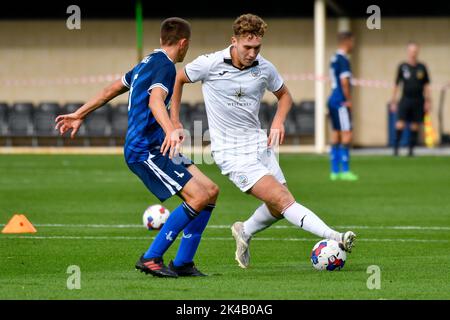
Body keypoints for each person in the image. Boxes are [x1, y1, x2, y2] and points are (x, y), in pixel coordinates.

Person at [171, 13, 356, 269]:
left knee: (279, 208)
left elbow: (285, 96)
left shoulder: (264, 67)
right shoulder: (210, 63)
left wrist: (278, 122)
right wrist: (174, 121)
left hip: (259, 145)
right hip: (231, 152)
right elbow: (179, 78)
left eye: (257, 47)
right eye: (247, 47)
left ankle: (244, 230)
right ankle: (335, 237)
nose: (252, 53)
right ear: (233, 41)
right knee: (283, 198)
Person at [55, 17, 219, 278]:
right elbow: (156, 101)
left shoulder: (146, 63)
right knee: (197, 197)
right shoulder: (165, 66)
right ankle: (152, 258)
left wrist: (79, 113)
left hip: (155, 145)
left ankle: (183, 263)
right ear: (184, 43)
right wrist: (171, 131)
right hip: (145, 150)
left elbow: (111, 89)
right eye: (188, 46)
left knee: (210, 191)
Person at [390, 41, 432, 156]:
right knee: (400, 123)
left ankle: (411, 151)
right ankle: (396, 149)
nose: (413, 53)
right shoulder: (402, 67)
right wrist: (393, 101)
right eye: (411, 51)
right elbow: (396, 84)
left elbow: (426, 85)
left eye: (415, 51)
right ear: (408, 52)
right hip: (405, 99)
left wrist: (428, 101)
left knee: (415, 125)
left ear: (417, 52)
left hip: (418, 100)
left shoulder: (422, 67)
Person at [327, 31, 358, 181]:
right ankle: (345, 171)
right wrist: (348, 100)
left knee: (336, 133)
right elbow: (344, 82)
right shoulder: (343, 60)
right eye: (352, 41)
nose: (353, 45)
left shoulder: (334, 58)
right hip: (340, 101)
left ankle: (334, 172)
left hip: (332, 98)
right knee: (347, 133)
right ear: (346, 41)